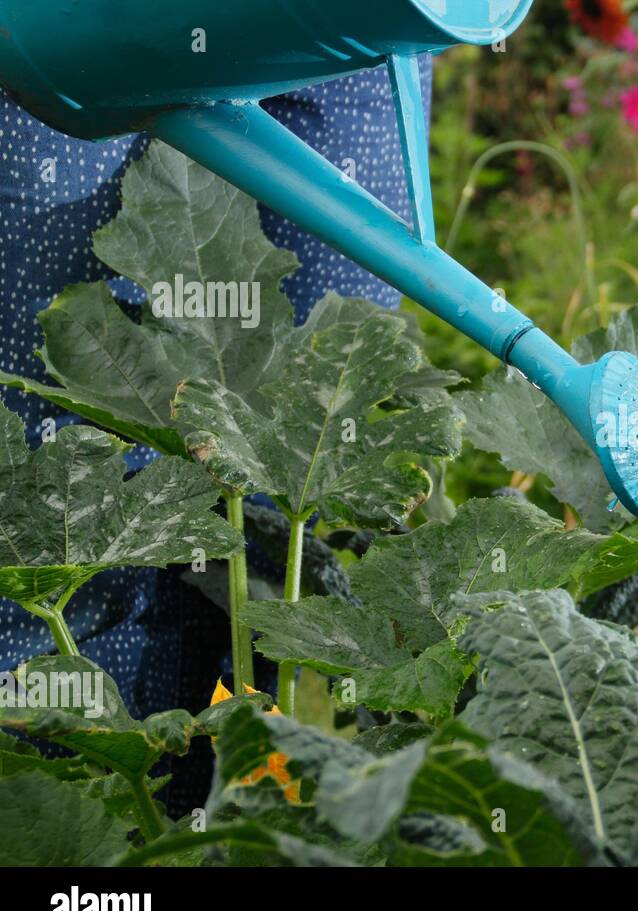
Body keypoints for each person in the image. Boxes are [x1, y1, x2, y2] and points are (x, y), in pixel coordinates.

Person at [0, 60, 432, 811]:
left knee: (278, 486)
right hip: (75, 28)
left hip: (348, 34)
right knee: (47, 501)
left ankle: (210, 826)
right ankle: (73, 836)